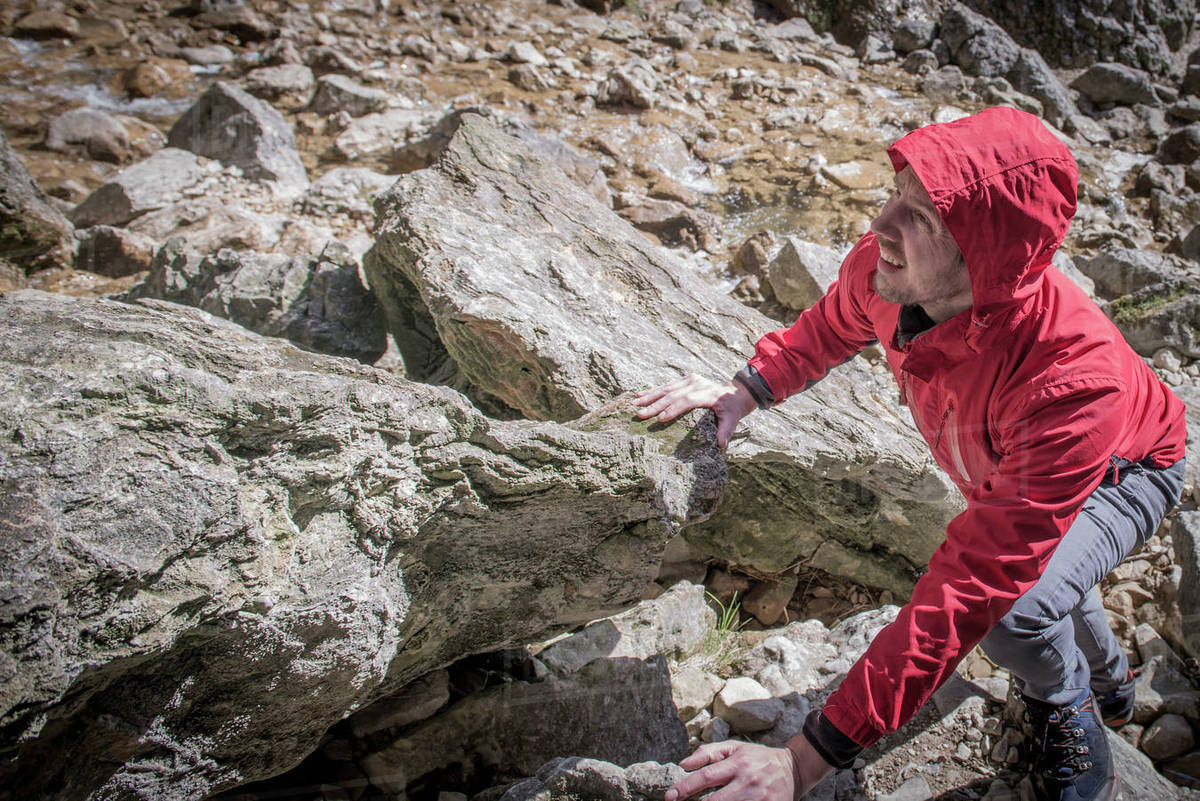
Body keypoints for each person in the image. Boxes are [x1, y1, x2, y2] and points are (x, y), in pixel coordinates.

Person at [635, 106, 1186, 801]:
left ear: (983, 259)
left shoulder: (1073, 380)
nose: (879, 226)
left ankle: (1067, 695)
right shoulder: (888, 270)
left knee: (1017, 613)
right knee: (1054, 580)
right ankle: (1112, 684)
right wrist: (746, 390)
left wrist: (804, 760)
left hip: (1127, 467)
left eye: (921, 216)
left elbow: (968, 589)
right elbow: (830, 325)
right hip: (1015, 458)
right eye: (894, 193)